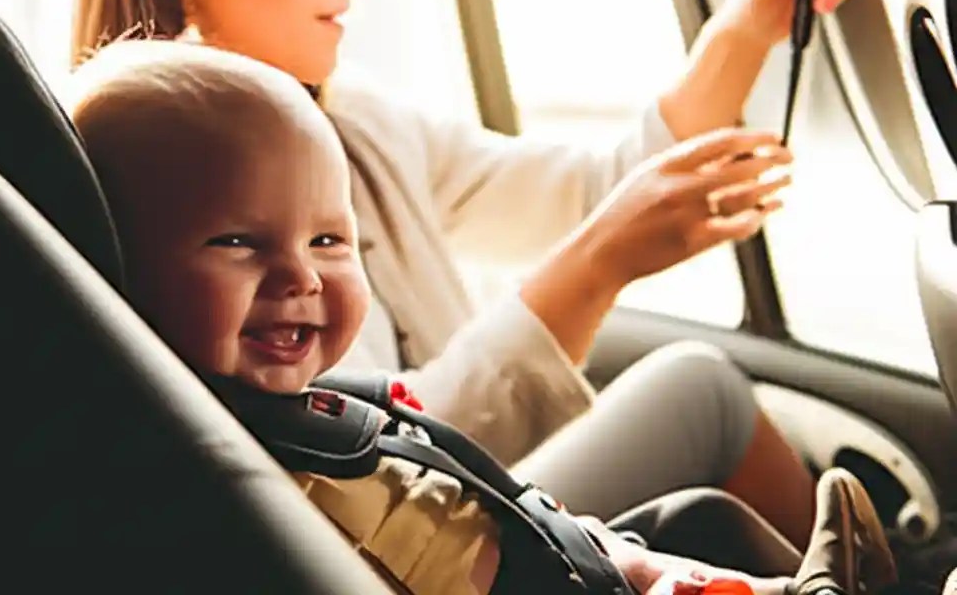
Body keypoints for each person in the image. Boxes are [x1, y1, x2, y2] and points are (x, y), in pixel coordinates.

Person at [70, 0, 871, 545]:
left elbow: (589, 193)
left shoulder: (357, 121)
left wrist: (747, 29)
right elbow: (375, 449)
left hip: (442, 492)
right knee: (703, 392)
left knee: (703, 519)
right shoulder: (152, 205)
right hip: (387, 532)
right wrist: (598, 264)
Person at [64, 38, 895, 595]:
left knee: (682, 533)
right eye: (241, 244)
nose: (300, 275)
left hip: (518, 534)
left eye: (329, 240)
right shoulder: (214, 484)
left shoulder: (353, 123)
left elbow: (579, 182)